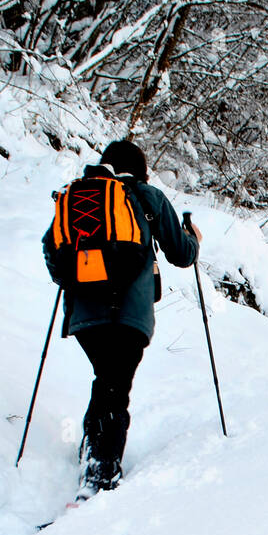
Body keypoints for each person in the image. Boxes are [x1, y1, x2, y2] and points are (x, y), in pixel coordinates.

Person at [60, 139, 201, 496]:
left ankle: (92, 453)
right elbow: (182, 254)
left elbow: (54, 252)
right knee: (114, 385)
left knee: (107, 379)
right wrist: (194, 238)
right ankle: (100, 474)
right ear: (141, 170)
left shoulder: (79, 196)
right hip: (128, 317)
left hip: (84, 317)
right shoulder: (147, 197)